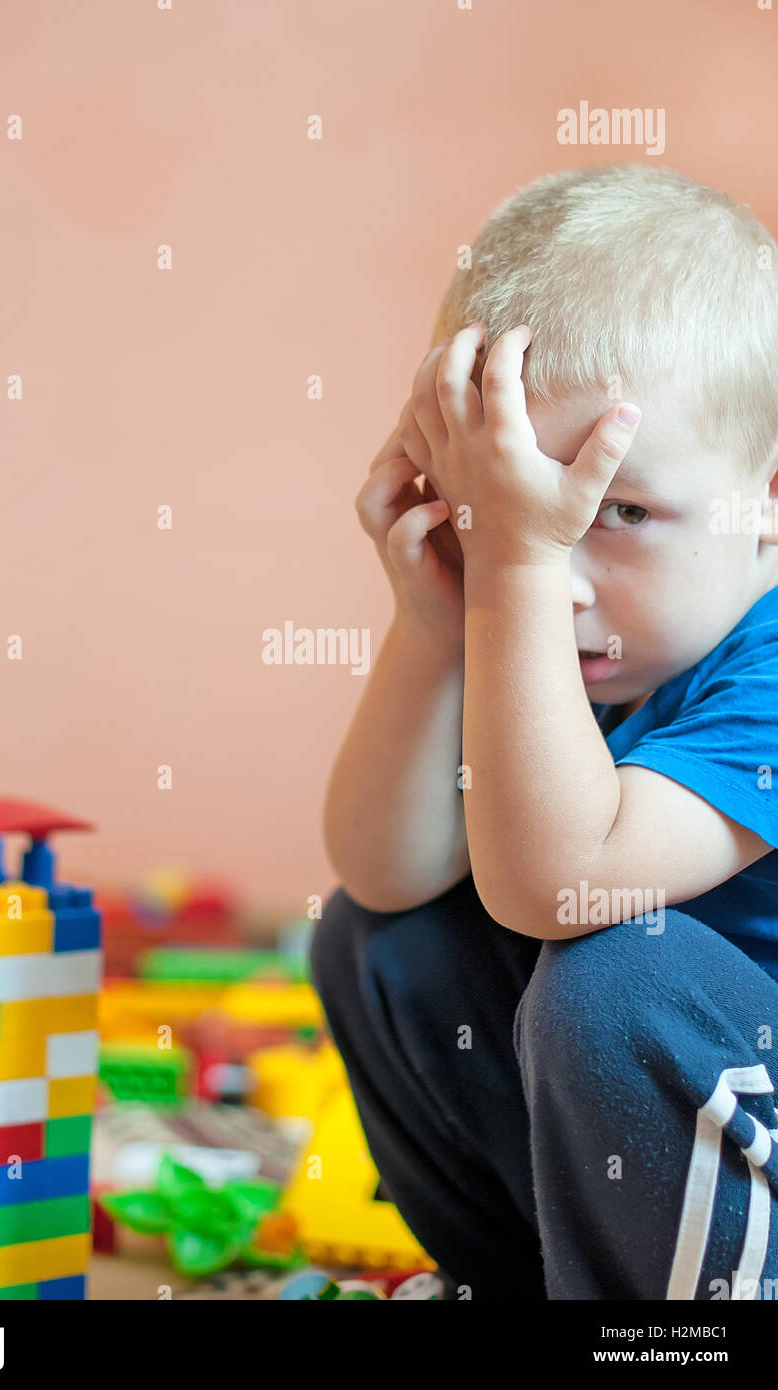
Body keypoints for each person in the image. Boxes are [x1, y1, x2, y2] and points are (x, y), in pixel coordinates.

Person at [314, 165, 778, 1300]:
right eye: (510, 505)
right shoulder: (561, 624)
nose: (561, 581)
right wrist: (431, 625)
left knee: (618, 971)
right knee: (377, 937)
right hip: (654, 1159)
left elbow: (560, 884)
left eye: (616, 511)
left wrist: (512, 556)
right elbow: (383, 869)